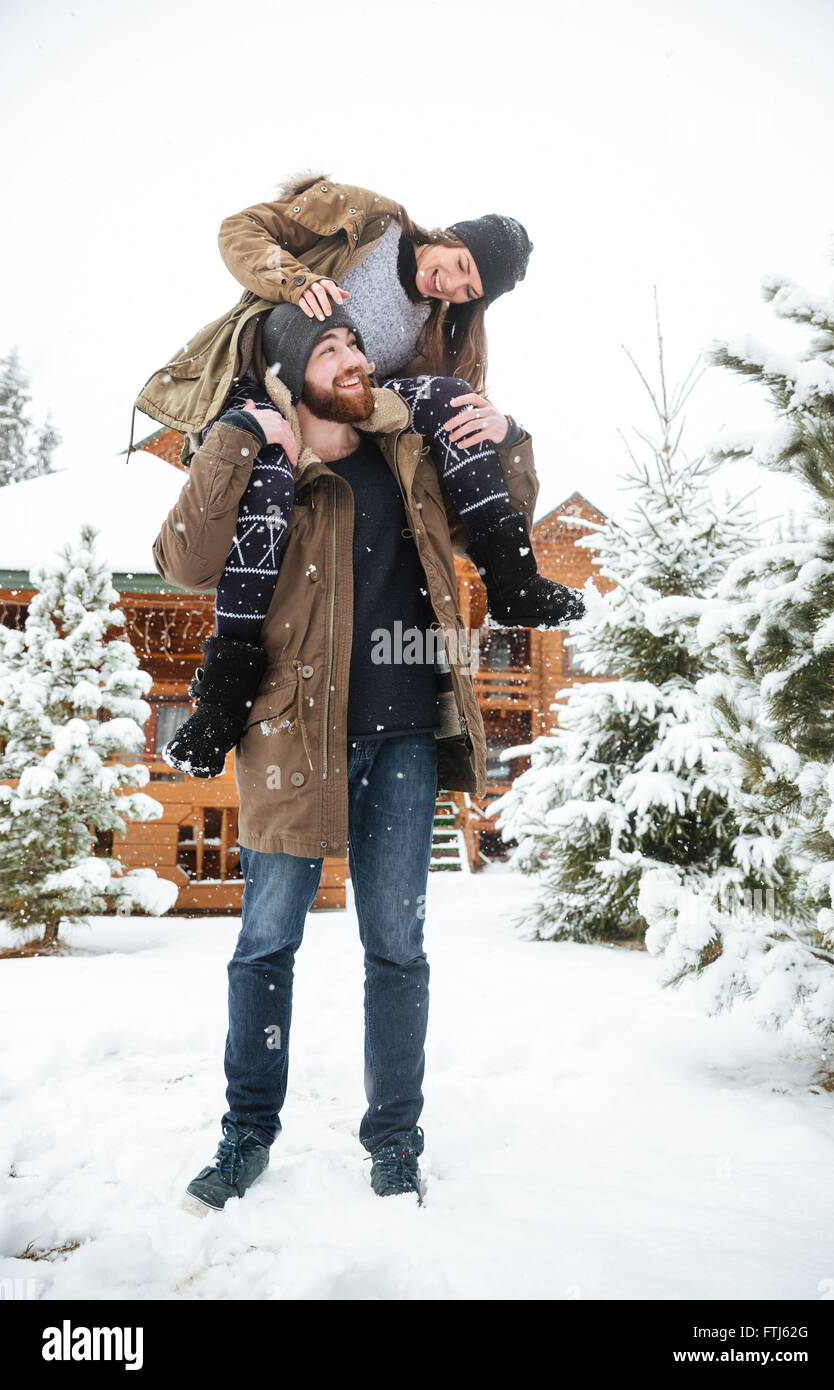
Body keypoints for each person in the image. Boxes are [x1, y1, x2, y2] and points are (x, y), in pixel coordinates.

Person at [151, 309, 598, 1210]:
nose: (354, 358)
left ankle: (395, 1139)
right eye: (330, 349)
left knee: (397, 950)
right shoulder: (269, 466)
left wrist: (510, 439)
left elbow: (494, 522)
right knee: (265, 944)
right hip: (287, 737)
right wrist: (240, 439)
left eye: (356, 345)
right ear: (288, 375)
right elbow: (182, 563)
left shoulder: (410, 453)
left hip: (404, 739)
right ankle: (246, 1135)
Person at [153, 173, 589, 776]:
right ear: (450, 235)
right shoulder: (366, 220)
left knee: (448, 395)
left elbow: (422, 431)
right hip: (260, 385)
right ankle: (222, 704)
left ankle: (512, 578)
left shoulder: (433, 329)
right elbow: (240, 230)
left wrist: (502, 433)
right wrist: (296, 280)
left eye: (470, 289)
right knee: (270, 482)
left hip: (339, 419)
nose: (454, 285)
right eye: (460, 263)